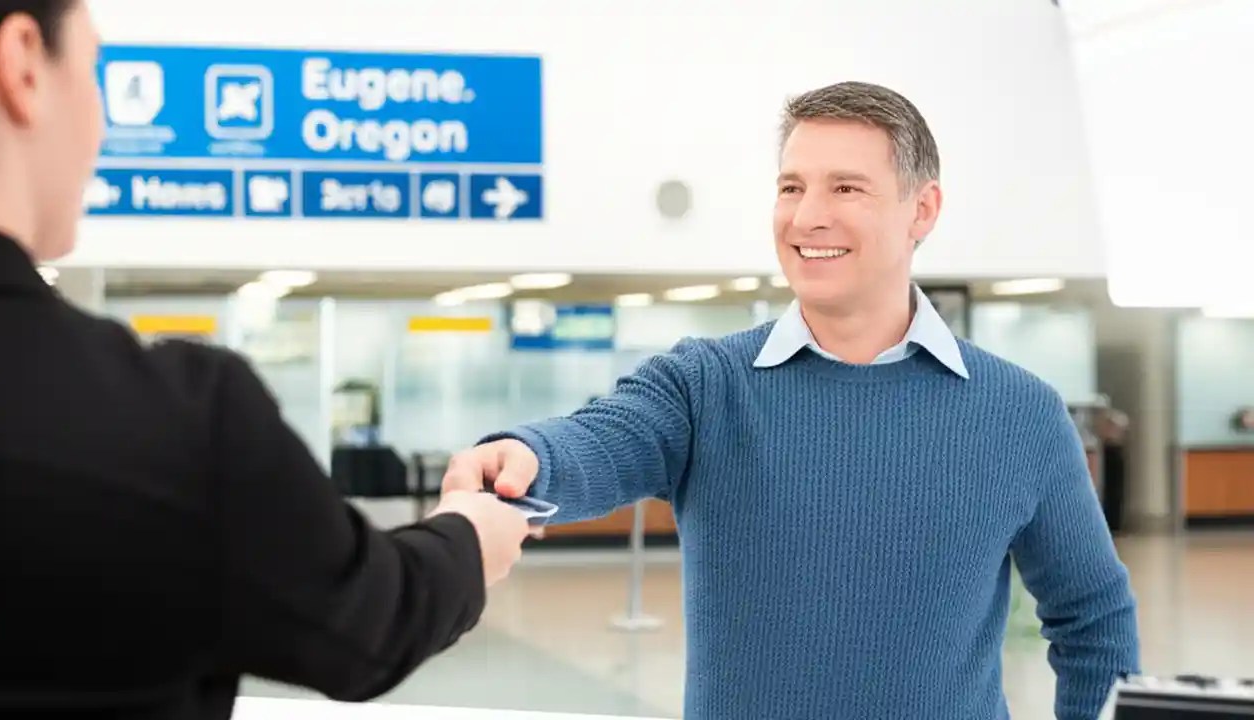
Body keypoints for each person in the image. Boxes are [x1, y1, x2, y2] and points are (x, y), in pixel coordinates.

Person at [444, 81, 1141, 719]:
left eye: (845, 189)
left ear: (921, 210)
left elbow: (1094, 620)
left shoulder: (1018, 414)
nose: (808, 217)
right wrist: (523, 458)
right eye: (790, 187)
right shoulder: (705, 385)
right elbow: (600, 439)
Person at [0, 2, 531, 717]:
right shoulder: (179, 421)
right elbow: (371, 623)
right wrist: (469, 538)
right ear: (23, 63)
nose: (103, 124)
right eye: (94, 71)